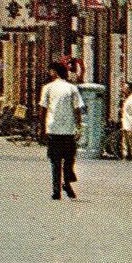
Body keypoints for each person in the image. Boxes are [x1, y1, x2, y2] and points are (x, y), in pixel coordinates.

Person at [39, 60, 84, 200]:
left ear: (54, 72)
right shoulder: (72, 88)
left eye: (50, 70)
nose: (49, 73)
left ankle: (56, 190)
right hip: (68, 130)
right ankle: (66, 184)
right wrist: (78, 127)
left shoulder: (48, 88)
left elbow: (43, 109)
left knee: (55, 161)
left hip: (53, 128)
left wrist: (42, 129)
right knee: (69, 159)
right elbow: (77, 110)